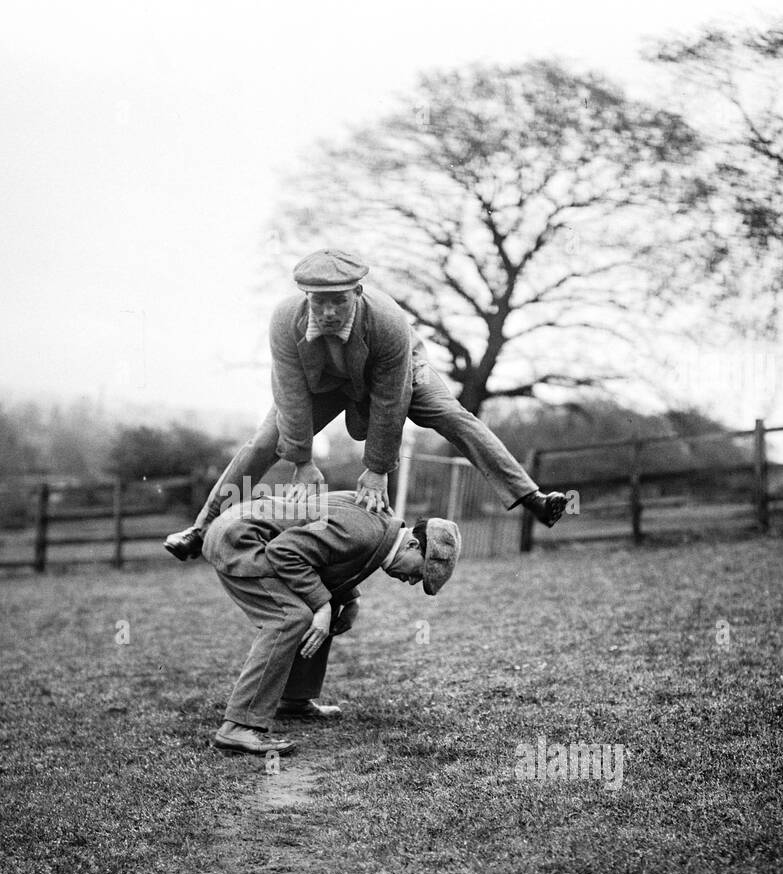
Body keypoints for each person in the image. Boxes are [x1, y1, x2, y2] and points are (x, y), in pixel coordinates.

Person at [165, 247, 566, 561]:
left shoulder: (388, 321)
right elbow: (289, 395)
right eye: (318, 301)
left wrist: (377, 470)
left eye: (338, 300)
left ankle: (532, 497)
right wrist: (302, 461)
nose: (328, 311)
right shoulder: (284, 321)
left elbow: (392, 402)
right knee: (262, 442)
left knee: (450, 414)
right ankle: (201, 528)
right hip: (322, 386)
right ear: (305, 295)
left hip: (399, 372)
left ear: (357, 292)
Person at [202, 489, 461, 756]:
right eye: (419, 573)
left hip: (242, 529)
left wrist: (349, 599)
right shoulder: (362, 534)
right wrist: (321, 604)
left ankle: (294, 700)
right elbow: (282, 552)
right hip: (238, 540)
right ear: (413, 545)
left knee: (325, 606)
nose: (411, 581)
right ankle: (237, 726)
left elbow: (325, 555)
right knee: (291, 617)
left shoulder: (379, 523)